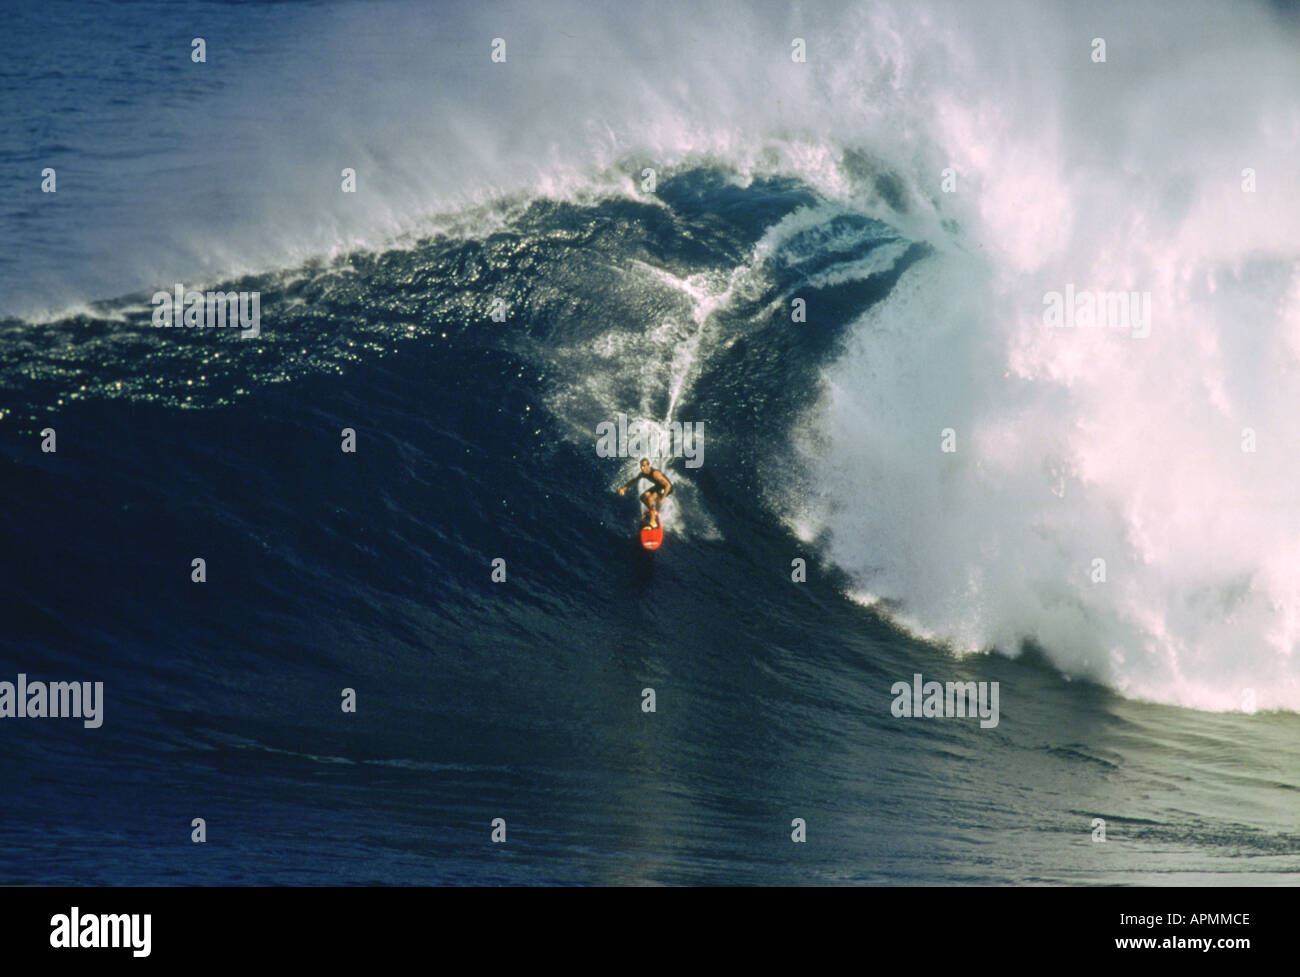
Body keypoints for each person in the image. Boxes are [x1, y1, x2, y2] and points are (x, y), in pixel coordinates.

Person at [618, 458, 671, 528]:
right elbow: (634, 480)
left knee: (650, 499)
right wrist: (624, 489)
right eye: (641, 466)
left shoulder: (655, 474)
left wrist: (662, 498)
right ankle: (653, 511)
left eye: (644, 466)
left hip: (666, 488)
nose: (642, 468)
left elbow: (668, 485)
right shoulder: (643, 474)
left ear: (648, 466)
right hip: (658, 486)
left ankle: (653, 522)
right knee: (643, 497)